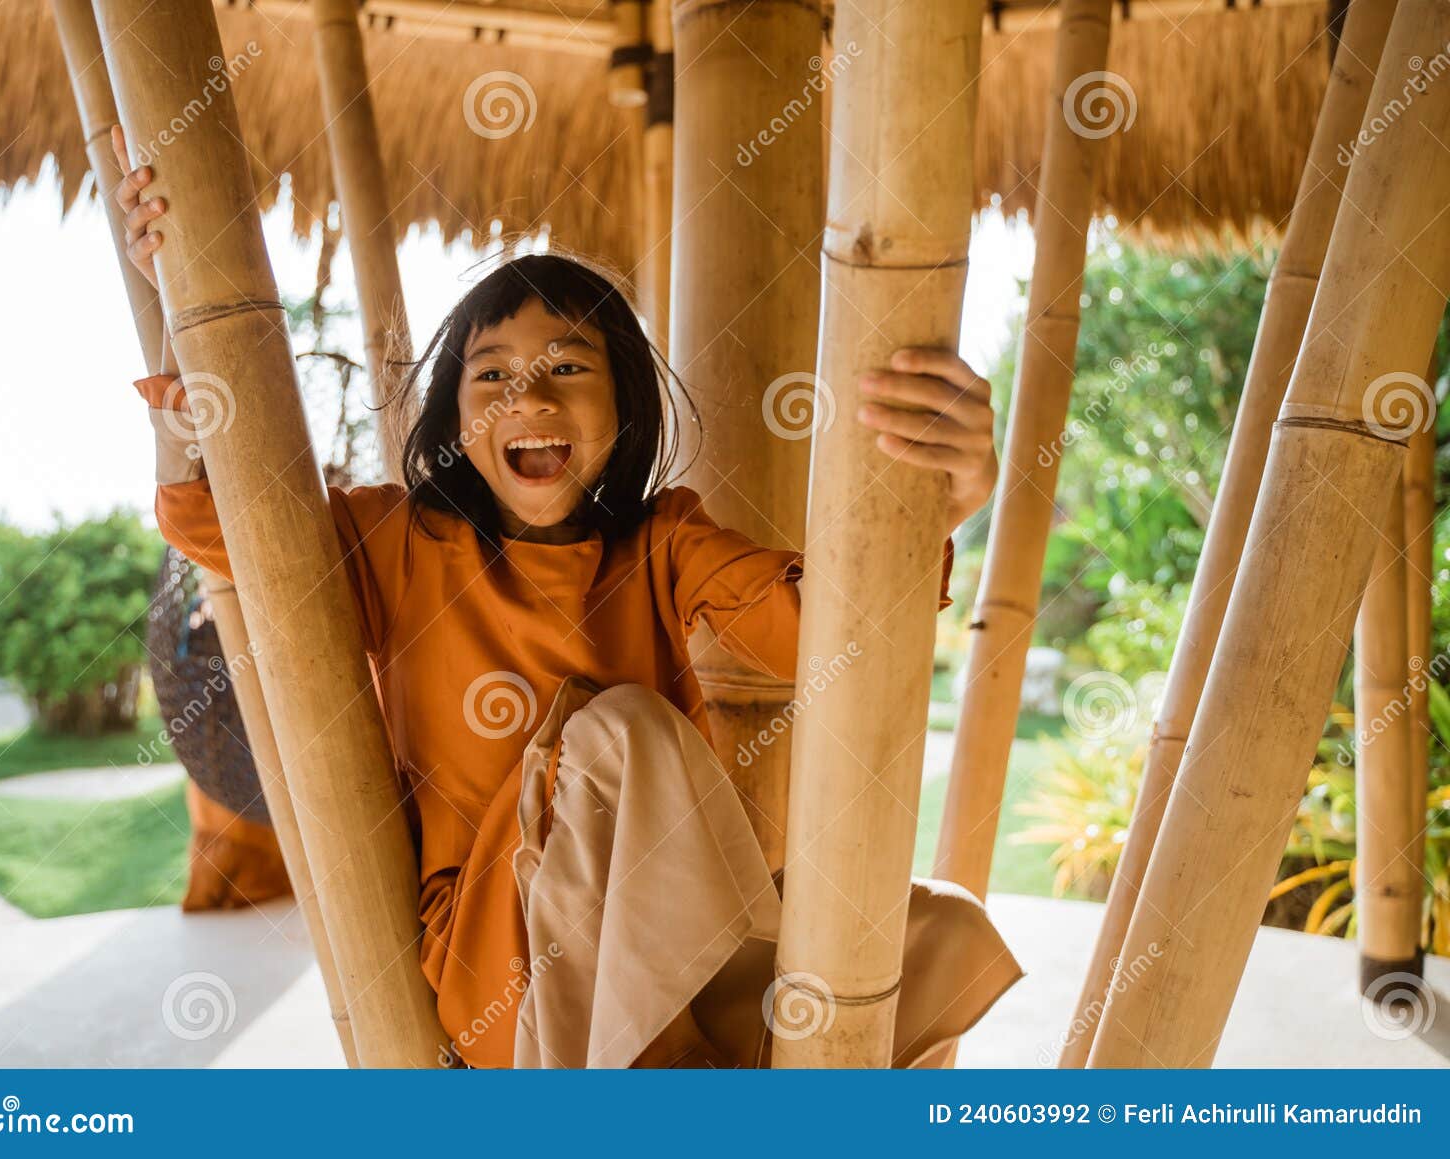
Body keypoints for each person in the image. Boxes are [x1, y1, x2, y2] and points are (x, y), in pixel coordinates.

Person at [113, 126, 1017, 1068]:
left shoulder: (662, 541)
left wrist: (930, 506)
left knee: (933, 932)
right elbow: (231, 525)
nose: (529, 395)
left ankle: (702, 1053)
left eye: (569, 367)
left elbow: (819, 628)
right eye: (492, 374)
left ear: (625, 404)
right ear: (455, 415)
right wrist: (181, 306)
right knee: (619, 733)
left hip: (662, 950)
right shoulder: (403, 541)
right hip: (502, 964)